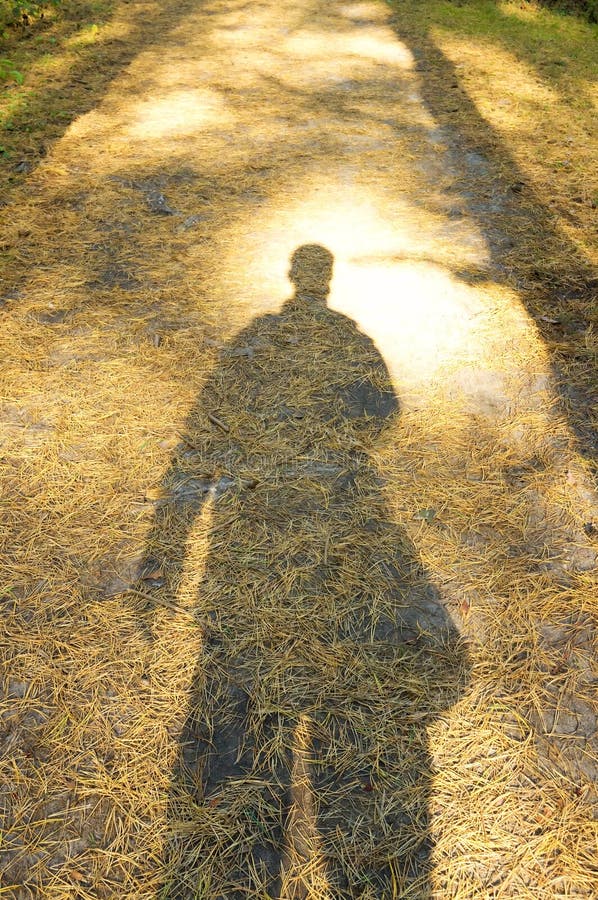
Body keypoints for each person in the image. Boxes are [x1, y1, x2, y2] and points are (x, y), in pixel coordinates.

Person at [137, 245, 467, 897]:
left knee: (241, 732)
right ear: (322, 280)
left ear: (296, 279)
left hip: (243, 553)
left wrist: (167, 557)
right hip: (314, 516)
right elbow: (384, 411)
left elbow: (205, 434)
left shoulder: (255, 339)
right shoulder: (350, 337)